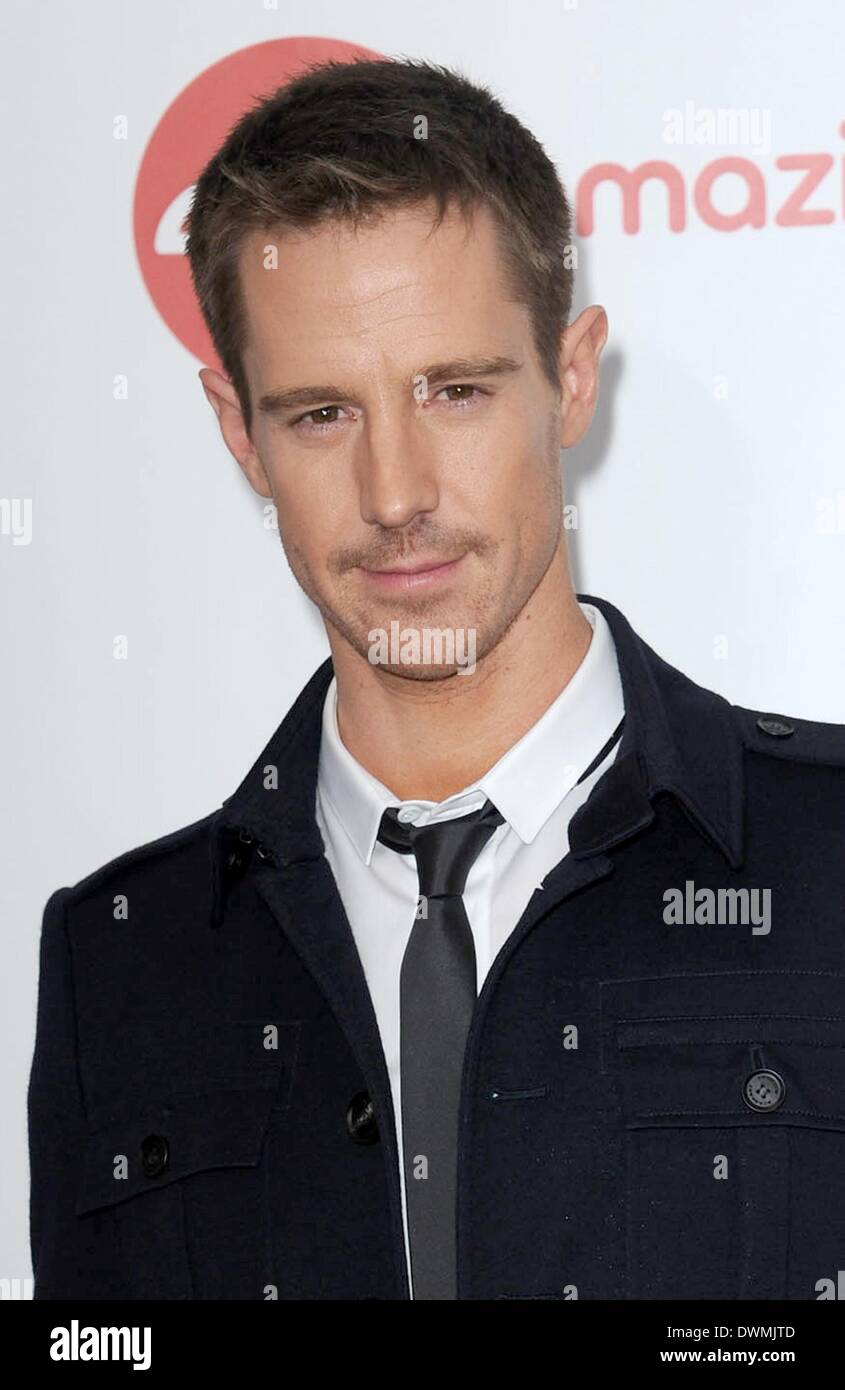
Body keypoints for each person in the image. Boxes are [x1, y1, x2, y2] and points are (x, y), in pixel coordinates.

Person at [28, 57, 845, 1302]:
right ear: (235, 430)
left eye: (453, 391)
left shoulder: (829, 852)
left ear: (570, 377)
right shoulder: (120, 964)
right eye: (319, 415)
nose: (395, 493)